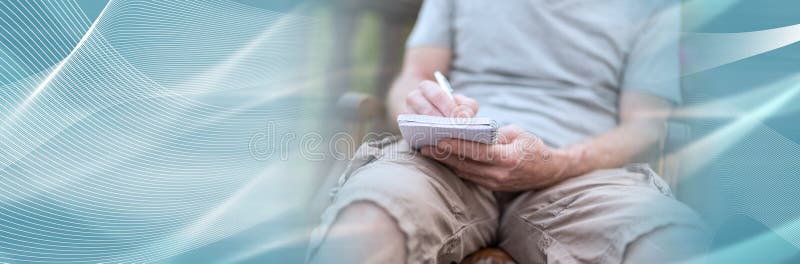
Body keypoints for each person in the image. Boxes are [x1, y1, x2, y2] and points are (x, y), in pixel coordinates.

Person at [309, 0, 708, 263]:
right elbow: (413, 76)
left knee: (669, 242)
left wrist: (557, 164)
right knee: (368, 219)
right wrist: (422, 112)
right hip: (446, 162)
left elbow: (645, 124)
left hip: (582, 176)